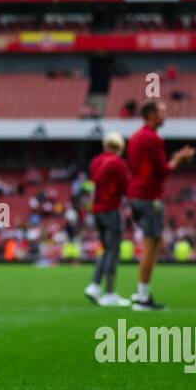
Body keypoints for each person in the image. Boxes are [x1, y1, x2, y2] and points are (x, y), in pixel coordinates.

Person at [124, 100, 196, 310]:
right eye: (162, 113)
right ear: (150, 115)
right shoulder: (153, 138)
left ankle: (142, 293)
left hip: (137, 195)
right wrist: (179, 159)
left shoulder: (135, 137)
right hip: (149, 197)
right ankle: (142, 296)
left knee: (152, 244)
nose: (165, 116)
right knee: (151, 246)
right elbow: (163, 170)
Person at [85, 131, 131, 306]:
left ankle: (96, 286)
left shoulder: (95, 161)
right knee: (112, 250)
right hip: (111, 209)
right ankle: (107, 291)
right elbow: (126, 187)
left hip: (97, 210)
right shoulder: (118, 163)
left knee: (106, 249)